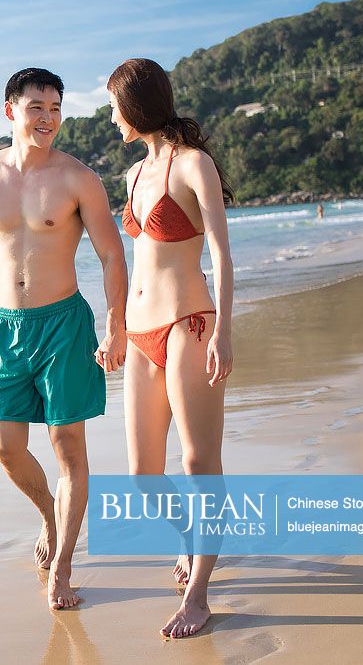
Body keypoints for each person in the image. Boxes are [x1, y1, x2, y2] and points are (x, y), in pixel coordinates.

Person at [0, 67, 128, 610]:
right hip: (4, 327)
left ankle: (65, 566)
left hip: (63, 327)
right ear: (11, 111)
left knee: (68, 445)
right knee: (6, 449)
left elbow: (112, 254)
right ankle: (49, 513)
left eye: (55, 109)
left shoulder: (78, 179)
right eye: (36, 108)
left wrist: (115, 325)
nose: (48, 119)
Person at [107, 58, 235, 638]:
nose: (111, 117)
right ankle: (192, 545)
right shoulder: (134, 176)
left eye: (115, 106)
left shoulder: (193, 164)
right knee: (143, 475)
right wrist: (114, 328)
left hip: (190, 322)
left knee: (198, 462)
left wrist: (225, 330)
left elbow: (223, 255)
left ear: (136, 106)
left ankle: (201, 594)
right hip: (140, 334)